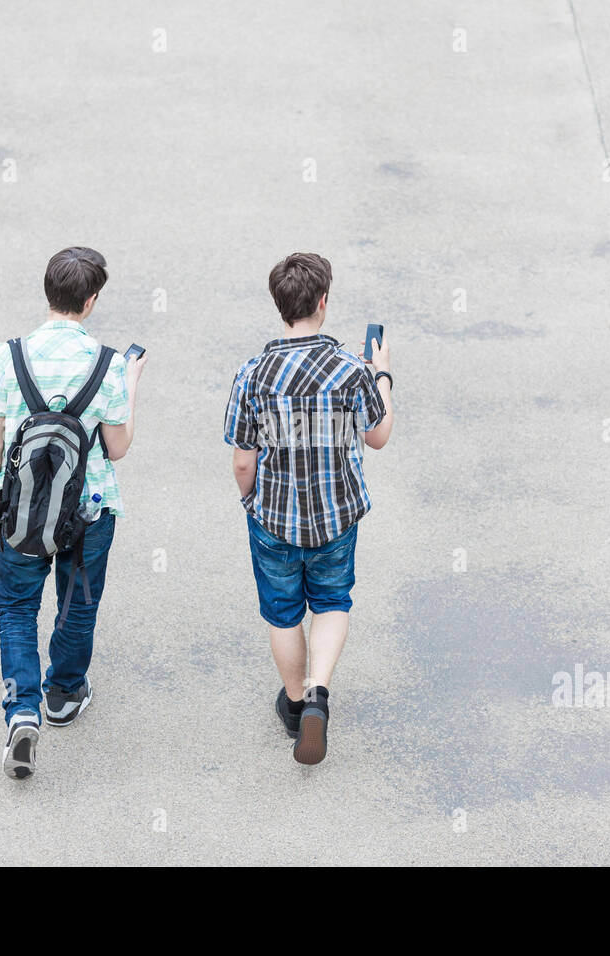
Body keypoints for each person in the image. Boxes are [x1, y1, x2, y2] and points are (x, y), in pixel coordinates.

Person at [0, 246, 147, 779]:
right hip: (90, 509)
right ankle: (63, 694)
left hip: (21, 507)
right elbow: (117, 449)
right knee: (77, 605)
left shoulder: (9, 356)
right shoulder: (107, 365)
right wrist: (130, 380)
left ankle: (22, 710)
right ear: (91, 301)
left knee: (16, 608)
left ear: (47, 292)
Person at [223, 253, 394, 765]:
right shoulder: (349, 369)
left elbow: (242, 461)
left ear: (279, 305)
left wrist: (251, 502)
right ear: (323, 301)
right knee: (332, 601)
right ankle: (320, 689)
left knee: (281, 613)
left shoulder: (253, 374)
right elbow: (378, 436)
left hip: (274, 518)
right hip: (335, 515)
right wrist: (382, 375)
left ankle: (296, 704)